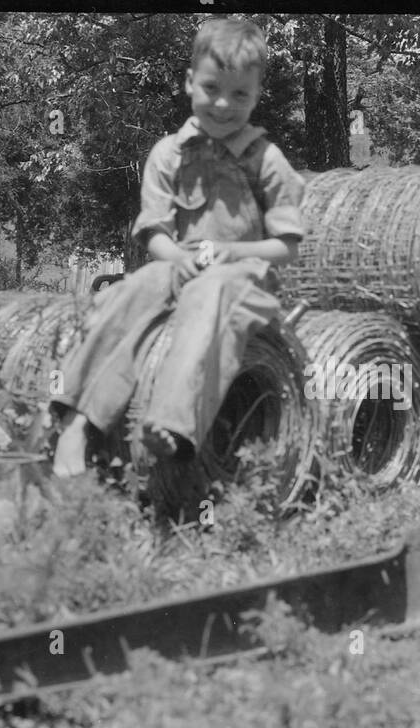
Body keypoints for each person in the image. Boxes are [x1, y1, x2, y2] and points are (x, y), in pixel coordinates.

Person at [51, 17, 305, 478]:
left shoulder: (267, 160)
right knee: (133, 290)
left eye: (240, 94)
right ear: (190, 83)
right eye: (211, 88)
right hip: (180, 268)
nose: (224, 105)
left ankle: (171, 422)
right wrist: (178, 259)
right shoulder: (168, 155)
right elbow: (155, 235)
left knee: (210, 296)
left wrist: (235, 255)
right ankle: (76, 422)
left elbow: (285, 247)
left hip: (243, 281)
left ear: (257, 95)